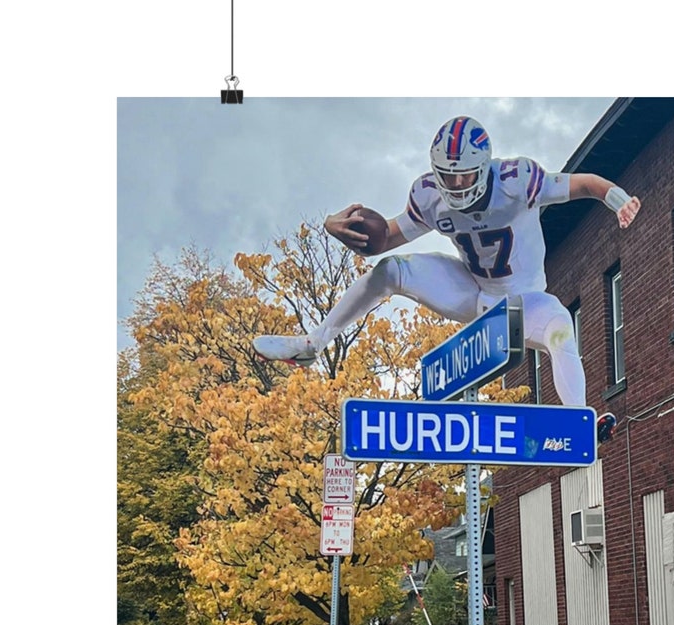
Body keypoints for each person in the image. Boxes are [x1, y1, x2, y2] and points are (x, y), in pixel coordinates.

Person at [253, 115, 641, 443]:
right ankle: (313, 342)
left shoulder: (517, 180)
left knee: (559, 328)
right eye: (447, 177)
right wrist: (335, 226)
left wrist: (618, 198)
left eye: (464, 176)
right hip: (471, 289)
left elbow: (586, 183)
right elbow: (384, 238)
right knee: (392, 270)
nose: (455, 186)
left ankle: (578, 421)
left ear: (484, 165)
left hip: (523, 298)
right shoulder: (429, 195)